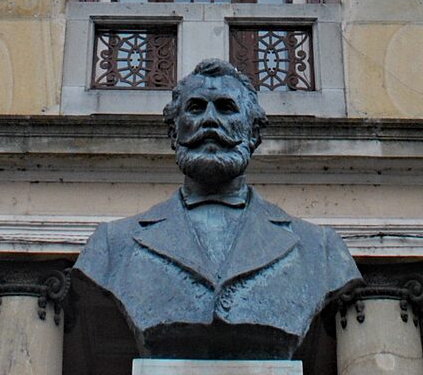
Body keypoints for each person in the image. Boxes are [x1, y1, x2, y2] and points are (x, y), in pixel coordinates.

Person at [74, 59, 360, 359]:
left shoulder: (321, 250)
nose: (210, 120)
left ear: (254, 133)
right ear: (173, 132)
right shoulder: (112, 245)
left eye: (226, 108)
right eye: (196, 108)